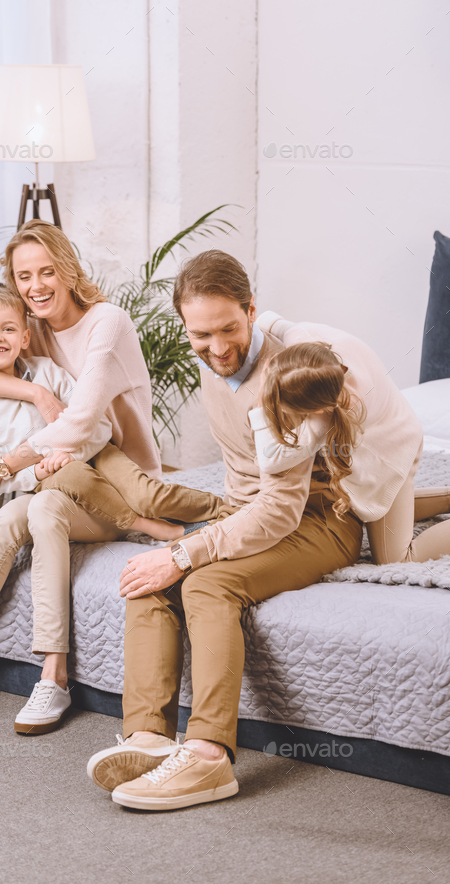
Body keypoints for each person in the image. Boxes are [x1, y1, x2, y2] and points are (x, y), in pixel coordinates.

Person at [86, 249, 437, 812]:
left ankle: (208, 758)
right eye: (202, 335)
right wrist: (213, 531)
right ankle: (149, 738)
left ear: (252, 311)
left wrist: (188, 553)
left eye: (229, 329)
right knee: (145, 577)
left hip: (323, 518)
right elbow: (242, 473)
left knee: (205, 583)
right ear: (184, 326)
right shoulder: (212, 366)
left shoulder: (285, 377)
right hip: (262, 505)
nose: (218, 348)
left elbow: (280, 510)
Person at [0, 226, 223, 732]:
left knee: (42, 508)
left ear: (68, 271)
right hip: (49, 474)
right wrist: (33, 396)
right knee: (10, 522)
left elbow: (82, 422)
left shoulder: (107, 323)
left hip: (115, 472)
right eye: (23, 276)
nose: (35, 285)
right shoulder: (29, 326)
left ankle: (53, 675)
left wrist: (9, 463)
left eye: (47, 272)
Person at [248, 315, 450, 564]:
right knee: (384, 508)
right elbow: (266, 319)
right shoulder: (304, 336)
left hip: (394, 448)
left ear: (318, 411)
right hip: (391, 420)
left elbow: (270, 460)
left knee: (395, 558)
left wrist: (259, 407)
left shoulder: (335, 414)